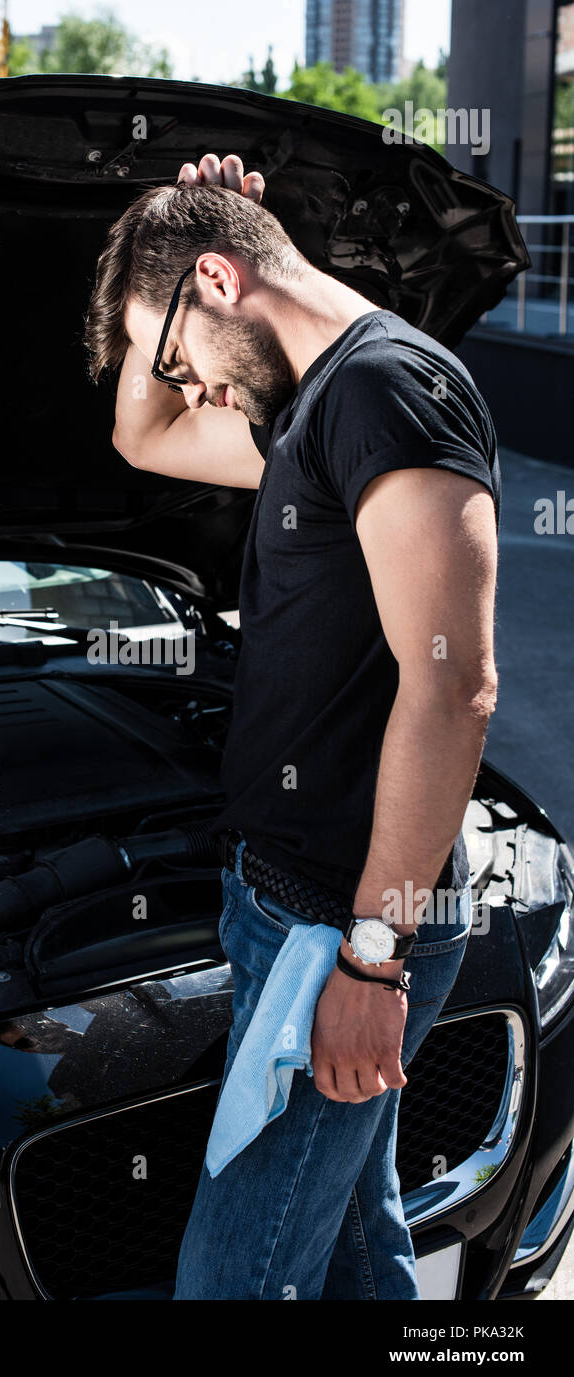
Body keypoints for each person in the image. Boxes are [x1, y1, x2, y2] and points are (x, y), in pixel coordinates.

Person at [83, 153, 499, 1299]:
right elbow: (142, 438)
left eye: (180, 359)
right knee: (356, 1254)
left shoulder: (387, 391)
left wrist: (376, 953)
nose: (190, 388)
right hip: (287, 900)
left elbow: (454, 686)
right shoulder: (311, 402)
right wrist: (156, 289)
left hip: (339, 922)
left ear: (220, 280)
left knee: (233, 1278)